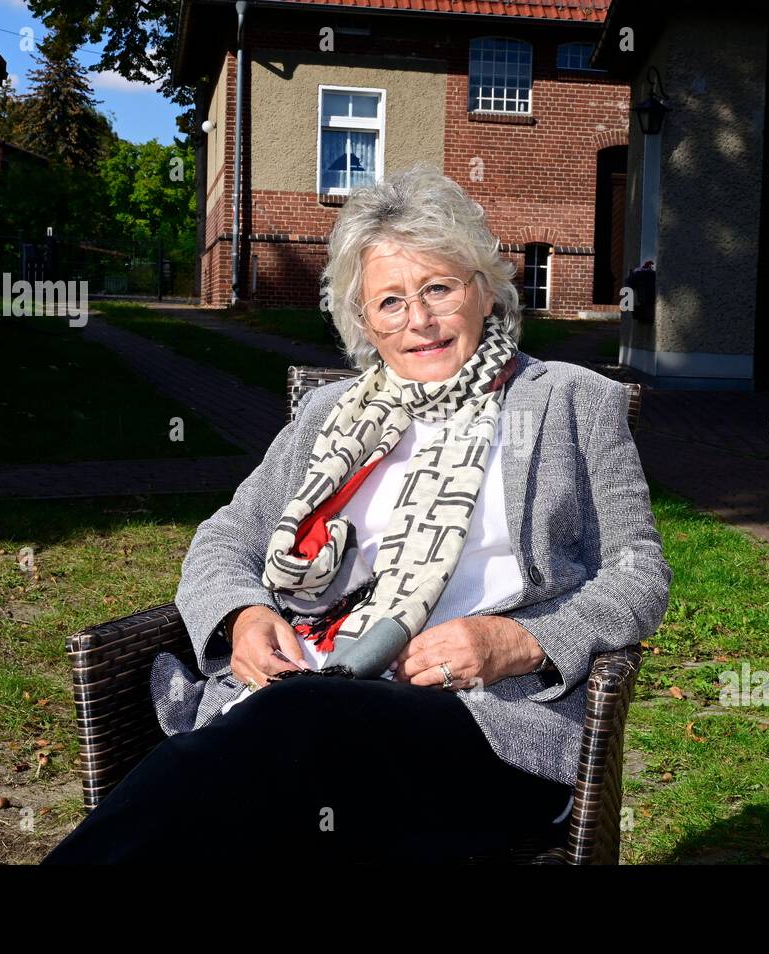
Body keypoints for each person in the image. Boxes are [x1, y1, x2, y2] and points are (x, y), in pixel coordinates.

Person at [42, 163, 673, 863]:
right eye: (391, 302)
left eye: (438, 288)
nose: (420, 321)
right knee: (274, 766)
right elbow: (225, 539)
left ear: (484, 292)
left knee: (278, 738)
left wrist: (521, 643)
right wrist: (244, 617)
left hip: (483, 720)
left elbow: (638, 572)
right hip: (299, 710)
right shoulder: (328, 416)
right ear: (364, 320)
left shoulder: (569, 401)